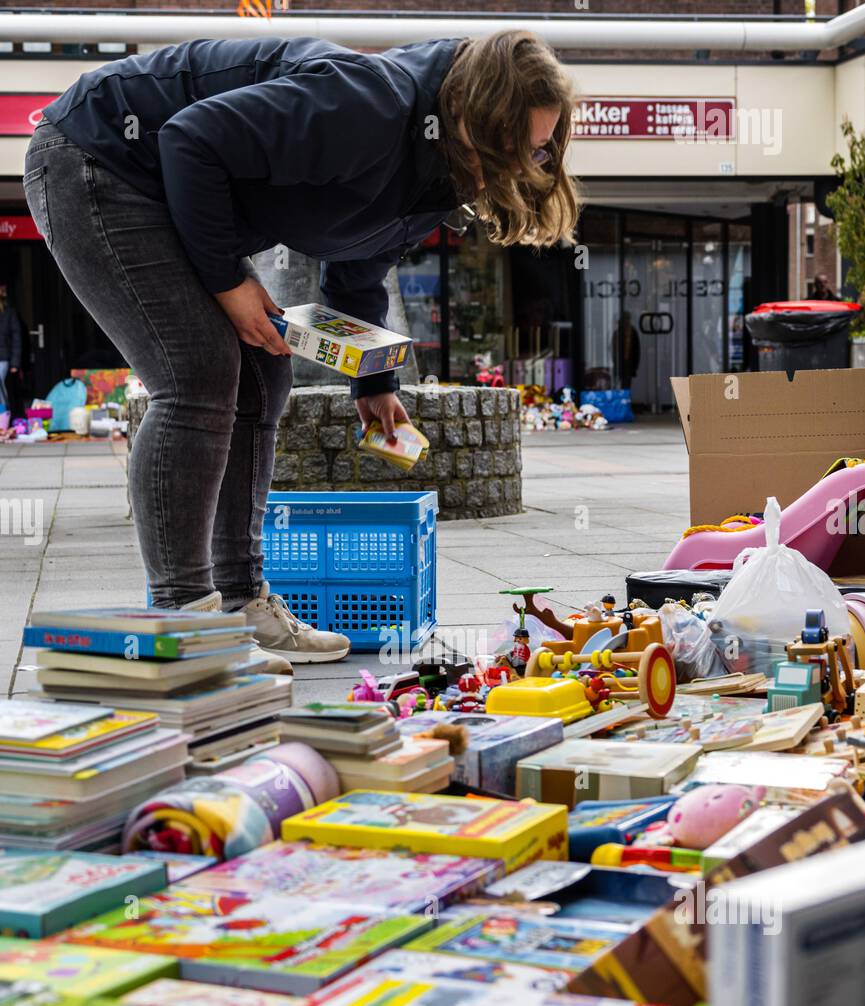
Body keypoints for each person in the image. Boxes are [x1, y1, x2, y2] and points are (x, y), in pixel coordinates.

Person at [24, 31, 577, 668]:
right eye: (515, 147)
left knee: (266, 373)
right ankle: (182, 618)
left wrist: (373, 380)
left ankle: (240, 602)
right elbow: (190, 140)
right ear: (472, 113)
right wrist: (229, 280)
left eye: (539, 148)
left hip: (168, 181)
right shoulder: (367, 105)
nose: (526, 165)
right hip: (97, 158)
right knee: (197, 372)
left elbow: (360, 259)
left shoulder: (439, 162)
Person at [0, 283, 22, 408]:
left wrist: (15, 363)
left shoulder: (9, 313)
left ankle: (2, 416)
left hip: (3, 357)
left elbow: (16, 338)